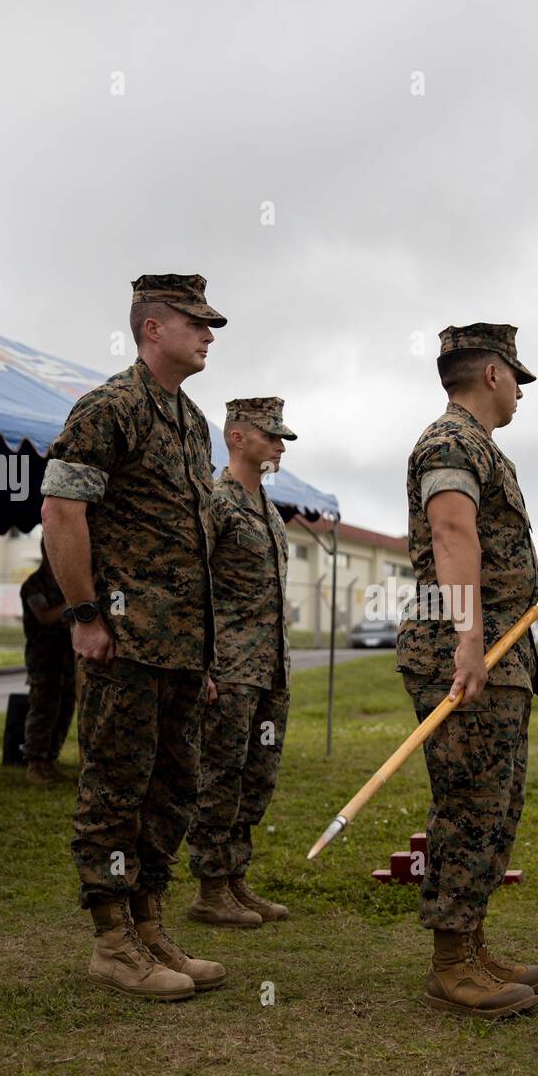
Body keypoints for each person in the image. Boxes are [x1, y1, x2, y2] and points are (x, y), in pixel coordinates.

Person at [40, 273, 228, 1001]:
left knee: (171, 789)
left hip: (182, 648)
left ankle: (149, 922)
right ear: (152, 327)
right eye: (196, 323)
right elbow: (62, 512)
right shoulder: (108, 408)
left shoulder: (190, 420)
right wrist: (84, 616)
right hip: (125, 641)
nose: (208, 335)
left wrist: (206, 651)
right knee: (116, 790)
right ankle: (112, 937)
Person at [396, 322, 538, 1019]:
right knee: (469, 806)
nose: (521, 393)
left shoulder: (478, 446)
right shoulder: (450, 442)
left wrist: (535, 575)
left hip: (500, 652)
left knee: (496, 806)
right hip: (465, 654)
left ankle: (472, 944)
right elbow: (450, 535)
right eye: (517, 379)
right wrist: (468, 639)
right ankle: (450, 966)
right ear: (494, 374)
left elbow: (483, 547)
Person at [187, 397, 293, 927]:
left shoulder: (268, 508)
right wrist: (201, 664)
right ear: (236, 437)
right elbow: (193, 584)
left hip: (270, 669)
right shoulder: (217, 501)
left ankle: (235, 880)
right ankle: (209, 888)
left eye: (282, 438)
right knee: (220, 775)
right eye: (272, 436)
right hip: (229, 669)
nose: (279, 446)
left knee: (258, 777)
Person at [19, 541, 76, 783]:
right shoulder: (34, 585)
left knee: (64, 710)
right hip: (44, 659)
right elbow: (45, 617)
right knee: (43, 710)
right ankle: (35, 763)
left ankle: (50, 761)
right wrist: (77, 601)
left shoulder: (67, 583)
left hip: (67, 658)